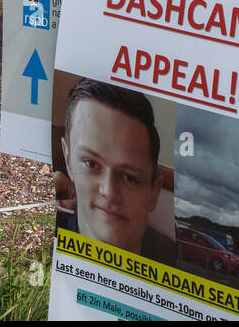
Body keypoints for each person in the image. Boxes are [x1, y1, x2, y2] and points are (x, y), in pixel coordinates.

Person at [56, 78, 174, 262]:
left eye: (129, 177)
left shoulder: (174, 261)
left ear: (154, 192)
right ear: (68, 158)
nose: (109, 192)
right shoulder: (38, 242)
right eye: (91, 164)